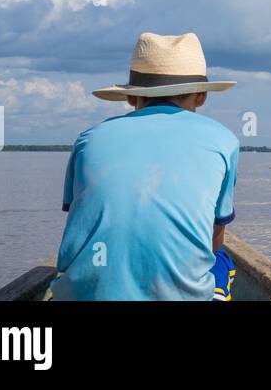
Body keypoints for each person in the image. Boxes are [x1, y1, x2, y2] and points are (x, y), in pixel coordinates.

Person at [50, 32, 240, 300]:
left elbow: (84, 216)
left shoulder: (89, 138)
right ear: (201, 97)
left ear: (130, 97)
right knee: (222, 260)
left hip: (82, 294)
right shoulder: (223, 140)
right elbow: (215, 233)